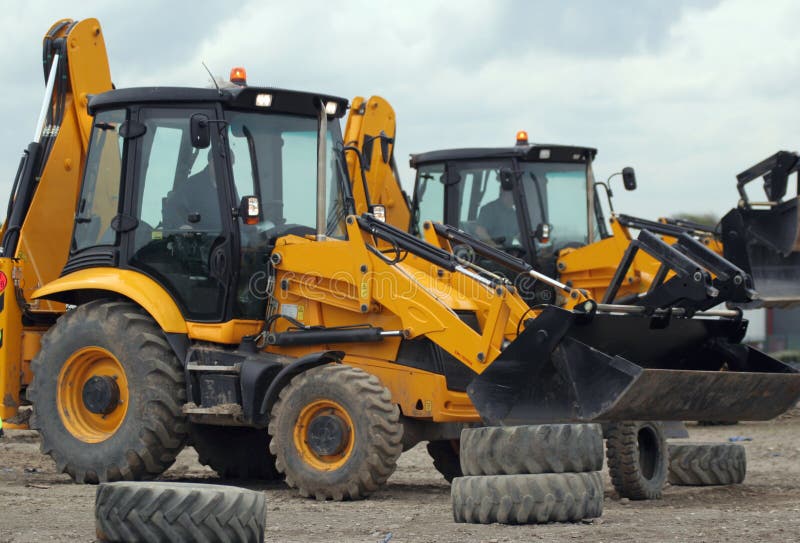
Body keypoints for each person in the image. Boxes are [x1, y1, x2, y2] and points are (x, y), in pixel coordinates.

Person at [163, 151, 223, 231]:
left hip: (225, 235)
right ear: (211, 162)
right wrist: (181, 225)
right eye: (219, 164)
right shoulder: (193, 184)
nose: (222, 168)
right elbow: (170, 208)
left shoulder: (228, 187)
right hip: (202, 239)